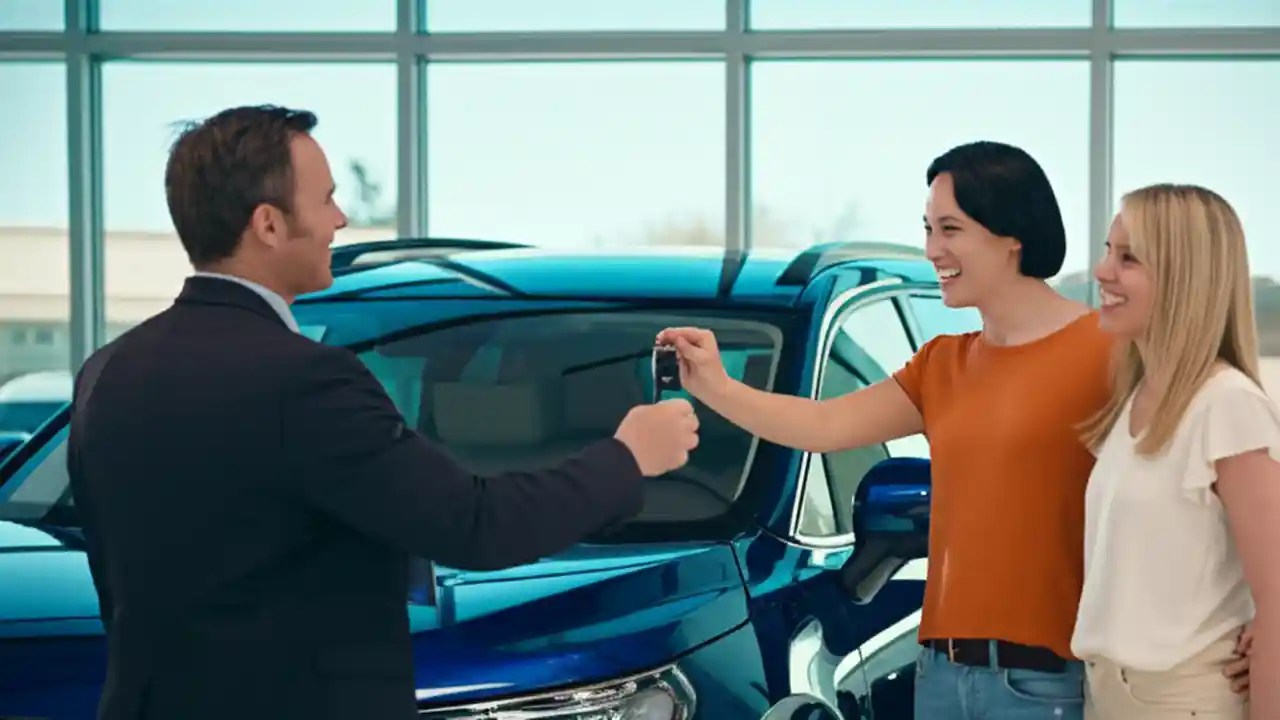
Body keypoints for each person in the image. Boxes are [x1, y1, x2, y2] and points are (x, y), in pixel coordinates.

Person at [66, 104, 699, 720]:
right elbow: (475, 523)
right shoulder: (304, 378)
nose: (341, 218)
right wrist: (629, 457)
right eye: (326, 200)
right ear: (268, 224)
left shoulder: (109, 371)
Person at [657, 141, 1250, 718]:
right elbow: (823, 424)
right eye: (928, 228)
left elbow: (1212, 489)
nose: (932, 249)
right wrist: (715, 386)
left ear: (1011, 235)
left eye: (950, 229)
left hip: (1051, 681)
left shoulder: (1113, 354)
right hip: (939, 675)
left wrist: (1254, 620)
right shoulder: (942, 362)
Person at [1072, 183, 1278, 719]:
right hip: (1109, 696)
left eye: (1129, 258)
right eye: (1107, 251)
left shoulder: (1228, 404)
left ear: (1185, 277)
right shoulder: (1136, 399)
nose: (1102, 272)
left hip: (1180, 703)